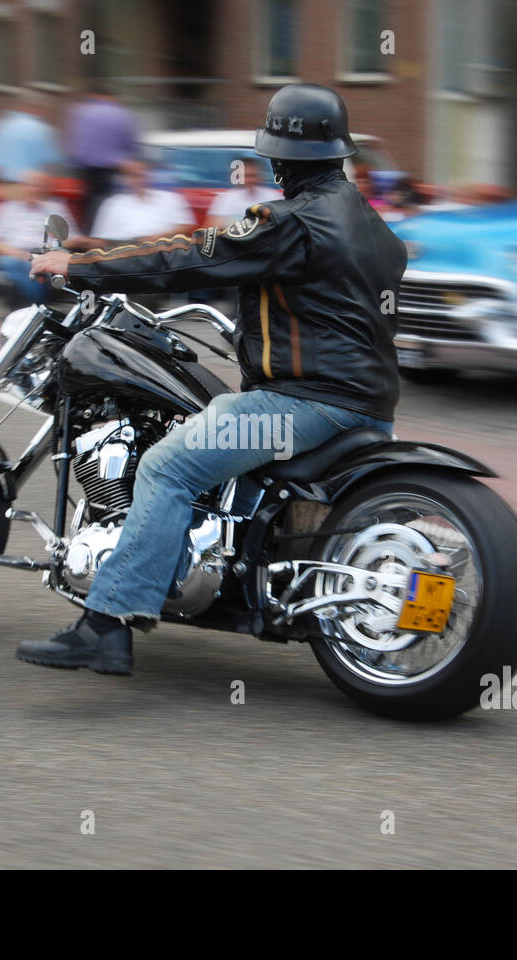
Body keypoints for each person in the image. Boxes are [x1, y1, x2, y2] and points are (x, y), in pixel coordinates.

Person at [20, 83, 407, 675]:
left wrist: (80, 265)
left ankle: (106, 623)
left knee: (166, 466)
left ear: (283, 158)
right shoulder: (377, 230)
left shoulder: (289, 221)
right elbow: (332, 311)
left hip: (301, 405)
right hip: (370, 408)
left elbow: (189, 255)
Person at [0, 169, 77, 307]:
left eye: (39, 185)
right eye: (30, 185)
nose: (34, 189)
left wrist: (47, 249)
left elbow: (73, 239)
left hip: (45, 255)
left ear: (46, 189)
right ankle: (35, 305)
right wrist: (18, 254)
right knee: (15, 264)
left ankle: (29, 305)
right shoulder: (7, 209)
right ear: (22, 187)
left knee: (32, 267)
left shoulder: (56, 209)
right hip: (13, 254)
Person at [65, 80, 138, 233]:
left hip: (85, 168)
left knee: (88, 203)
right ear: (110, 96)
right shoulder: (120, 113)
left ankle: (88, 234)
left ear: (93, 95)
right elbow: (130, 142)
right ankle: (106, 233)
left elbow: (74, 140)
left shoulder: (80, 111)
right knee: (109, 202)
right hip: (111, 168)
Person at [87, 159, 193, 245]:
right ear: (124, 179)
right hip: (123, 250)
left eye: (142, 174)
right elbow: (101, 240)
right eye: (133, 175)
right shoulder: (111, 204)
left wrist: (159, 237)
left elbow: (186, 226)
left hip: (161, 247)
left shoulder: (171, 198)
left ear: (150, 175)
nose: (139, 180)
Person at [0, 91, 60, 183]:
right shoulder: (42, 129)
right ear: (34, 106)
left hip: (1, 184)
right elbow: (50, 165)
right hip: (30, 186)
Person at [203, 156, 281, 229]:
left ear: (259, 176)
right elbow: (212, 227)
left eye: (252, 175)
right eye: (245, 176)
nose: (249, 180)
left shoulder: (274, 197)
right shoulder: (225, 199)